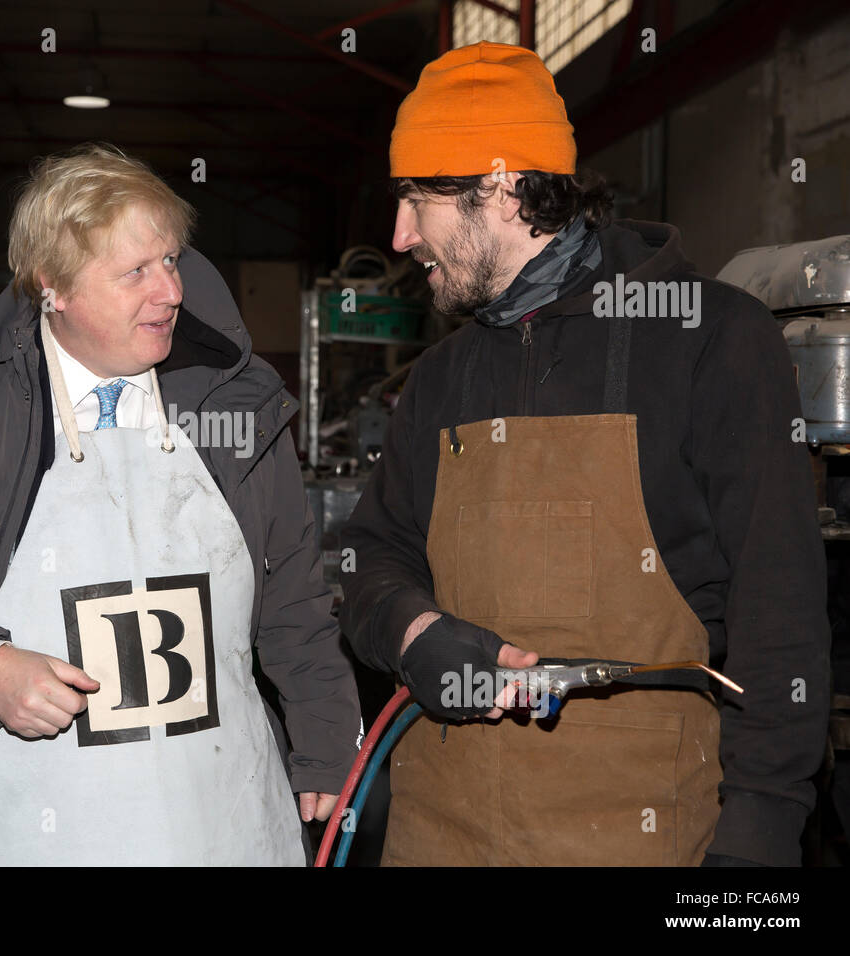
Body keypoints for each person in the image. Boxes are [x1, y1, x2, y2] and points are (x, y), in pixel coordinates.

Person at [340, 42, 830, 866]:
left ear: (497, 185)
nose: (399, 236)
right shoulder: (439, 379)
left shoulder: (712, 342)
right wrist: (413, 629)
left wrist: (755, 848)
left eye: (416, 198)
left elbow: (779, 623)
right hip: (441, 832)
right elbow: (364, 556)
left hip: (639, 834)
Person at [0, 143, 360, 866]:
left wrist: (325, 735)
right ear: (54, 288)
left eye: (170, 260)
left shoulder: (236, 399)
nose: (169, 292)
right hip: (18, 825)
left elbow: (294, 591)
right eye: (134, 271)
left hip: (218, 819)